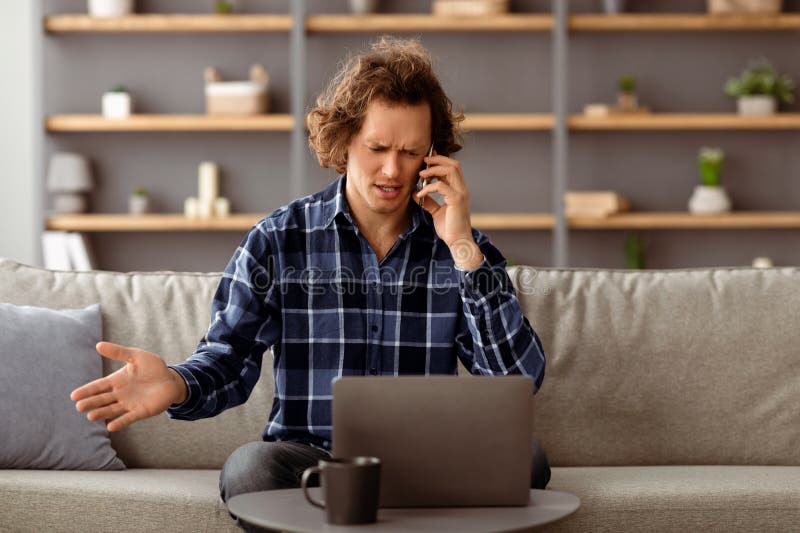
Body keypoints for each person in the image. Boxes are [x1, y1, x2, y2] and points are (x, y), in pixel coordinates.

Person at [70, 36, 549, 531]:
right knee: (250, 469)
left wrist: (465, 250)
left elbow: (517, 381)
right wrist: (176, 383)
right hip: (313, 463)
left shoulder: (461, 247)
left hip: (427, 463)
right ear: (344, 141)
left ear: (432, 157)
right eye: (377, 148)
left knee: (527, 461)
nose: (392, 169)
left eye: (410, 152)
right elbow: (228, 359)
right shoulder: (278, 239)